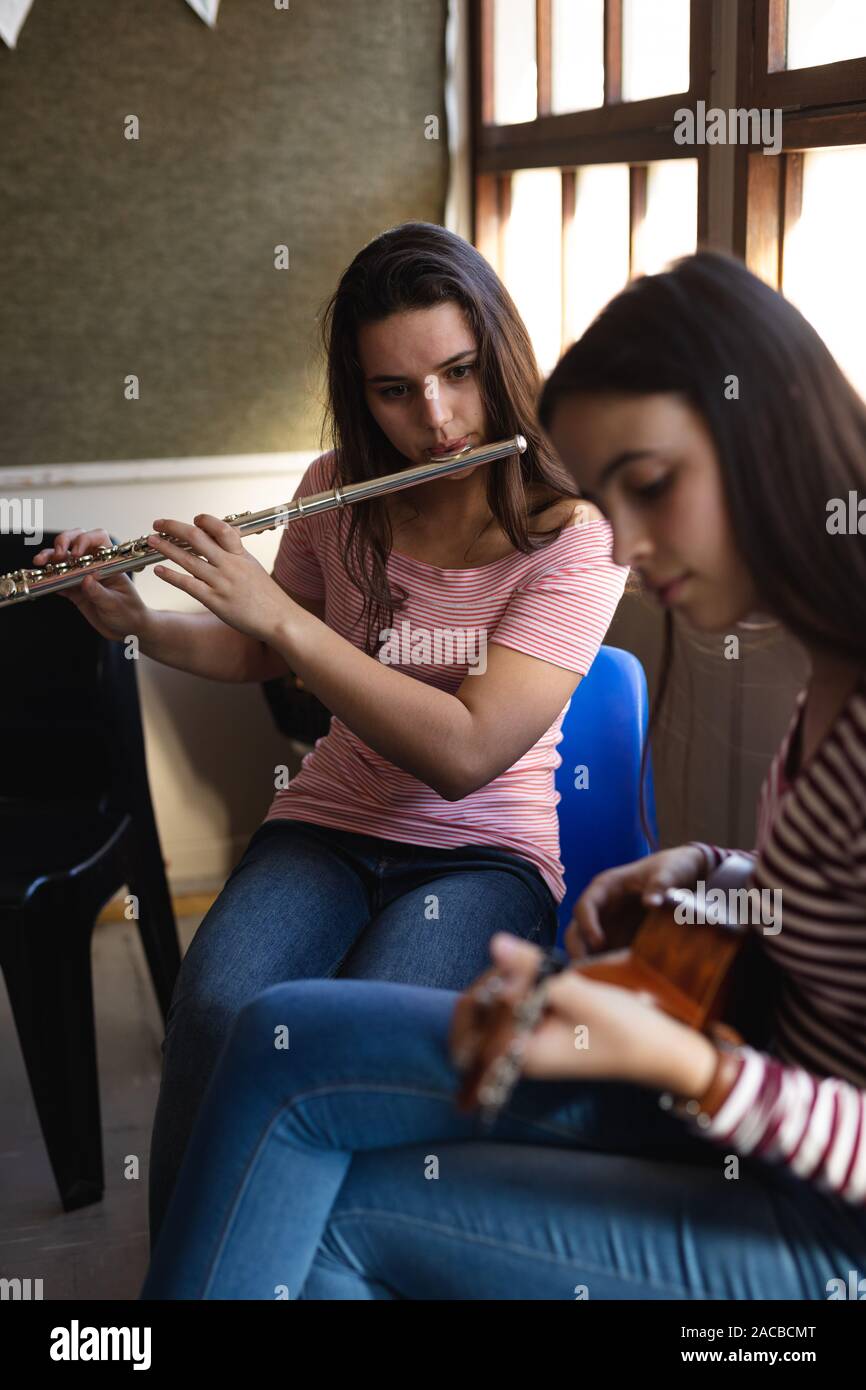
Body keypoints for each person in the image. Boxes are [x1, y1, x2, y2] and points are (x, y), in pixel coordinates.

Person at [139, 251, 866, 1300]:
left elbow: (466, 746)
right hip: (745, 1089)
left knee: (317, 1206)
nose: (627, 540)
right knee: (264, 1040)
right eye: (615, 497)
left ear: (772, 437)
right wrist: (706, 875)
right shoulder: (830, 672)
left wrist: (691, 1068)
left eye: (652, 485)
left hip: (807, 1207)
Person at [33, 222, 627, 1246]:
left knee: (330, 1043)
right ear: (360, 392)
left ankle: (312, 1266)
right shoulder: (333, 489)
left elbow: (464, 752)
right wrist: (144, 627)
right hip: (328, 820)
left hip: (480, 849)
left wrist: (279, 619)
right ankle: (187, 1271)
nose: (433, 419)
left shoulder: (572, 531)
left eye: (456, 373)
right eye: (394, 391)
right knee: (216, 1015)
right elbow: (270, 656)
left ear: (497, 355)